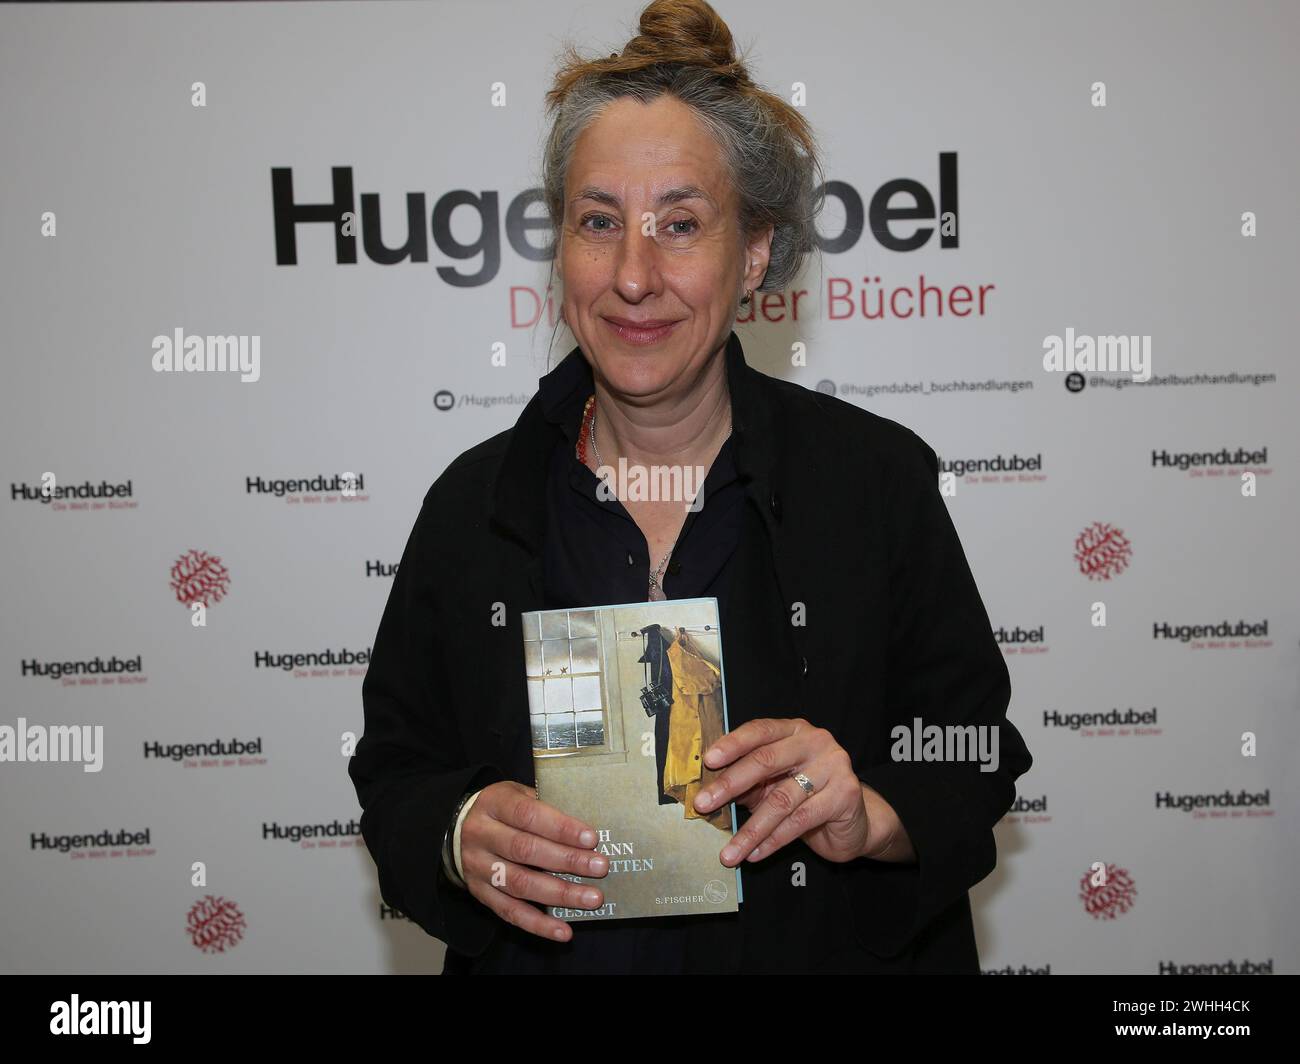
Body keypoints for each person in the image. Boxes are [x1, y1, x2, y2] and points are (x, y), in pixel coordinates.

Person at [349, 0, 1031, 974]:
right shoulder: (474, 505)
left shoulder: (874, 481)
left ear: (753, 252)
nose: (633, 273)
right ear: (559, 247)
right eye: (598, 221)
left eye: (680, 223)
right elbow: (396, 770)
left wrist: (872, 810)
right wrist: (456, 831)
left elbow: (969, 748)